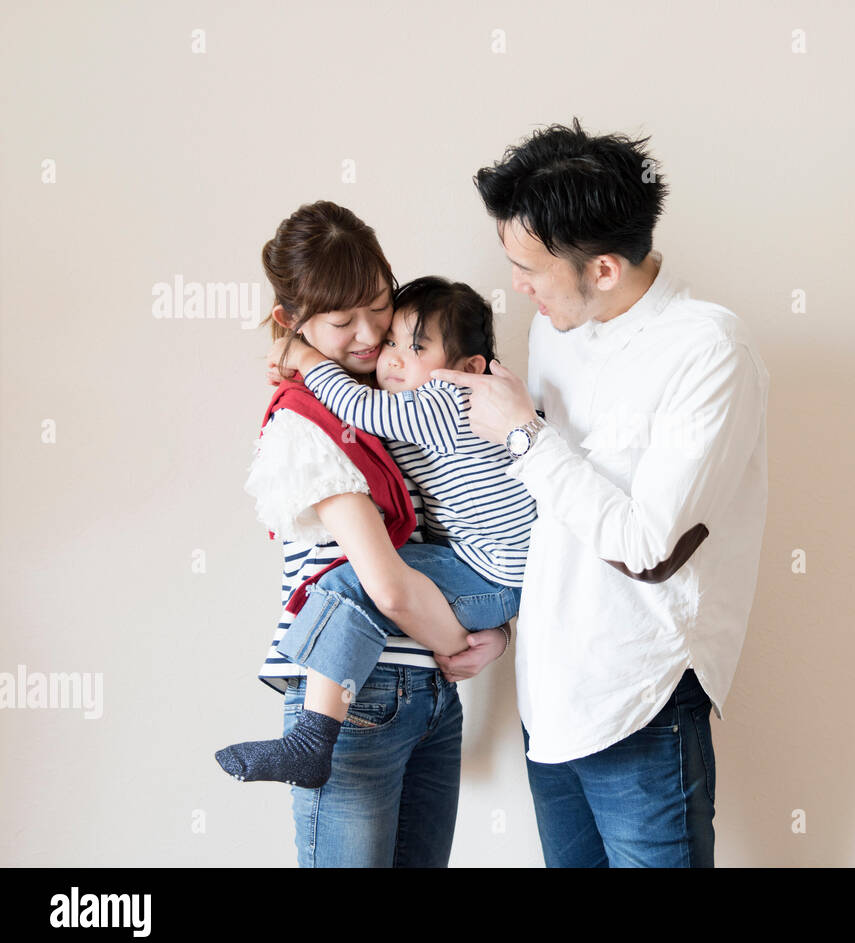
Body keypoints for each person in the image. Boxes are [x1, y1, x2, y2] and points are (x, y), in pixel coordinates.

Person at [431, 119, 770, 867]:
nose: (516, 285)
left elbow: (648, 545)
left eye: (529, 267)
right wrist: (508, 618)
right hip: (547, 696)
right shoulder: (558, 330)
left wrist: (523, 436)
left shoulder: (708, 351)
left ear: (605, 268)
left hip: (640, 699)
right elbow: (557, 512)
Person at [230, 200, 509, 866]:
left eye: (378, 306)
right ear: (291, 323)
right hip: (356, 701)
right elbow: (386, 586)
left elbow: (455, 544)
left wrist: (496, 627)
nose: (366, 333)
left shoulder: (398, 413)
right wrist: (465, 643)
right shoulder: (307, 422)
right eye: (340, 319)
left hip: (430, 699)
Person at [216, 276, 534, 788]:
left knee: (344, 584)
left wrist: (306, 359)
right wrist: (488, 636)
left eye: (415, 347)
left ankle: (309, 742)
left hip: (484, 579)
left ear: (469, 370)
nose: (390, 356)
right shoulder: (329, 416)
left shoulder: (445, 402)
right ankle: (311, 737)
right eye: (392, 342)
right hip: (472, 595)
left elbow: (363, 410)